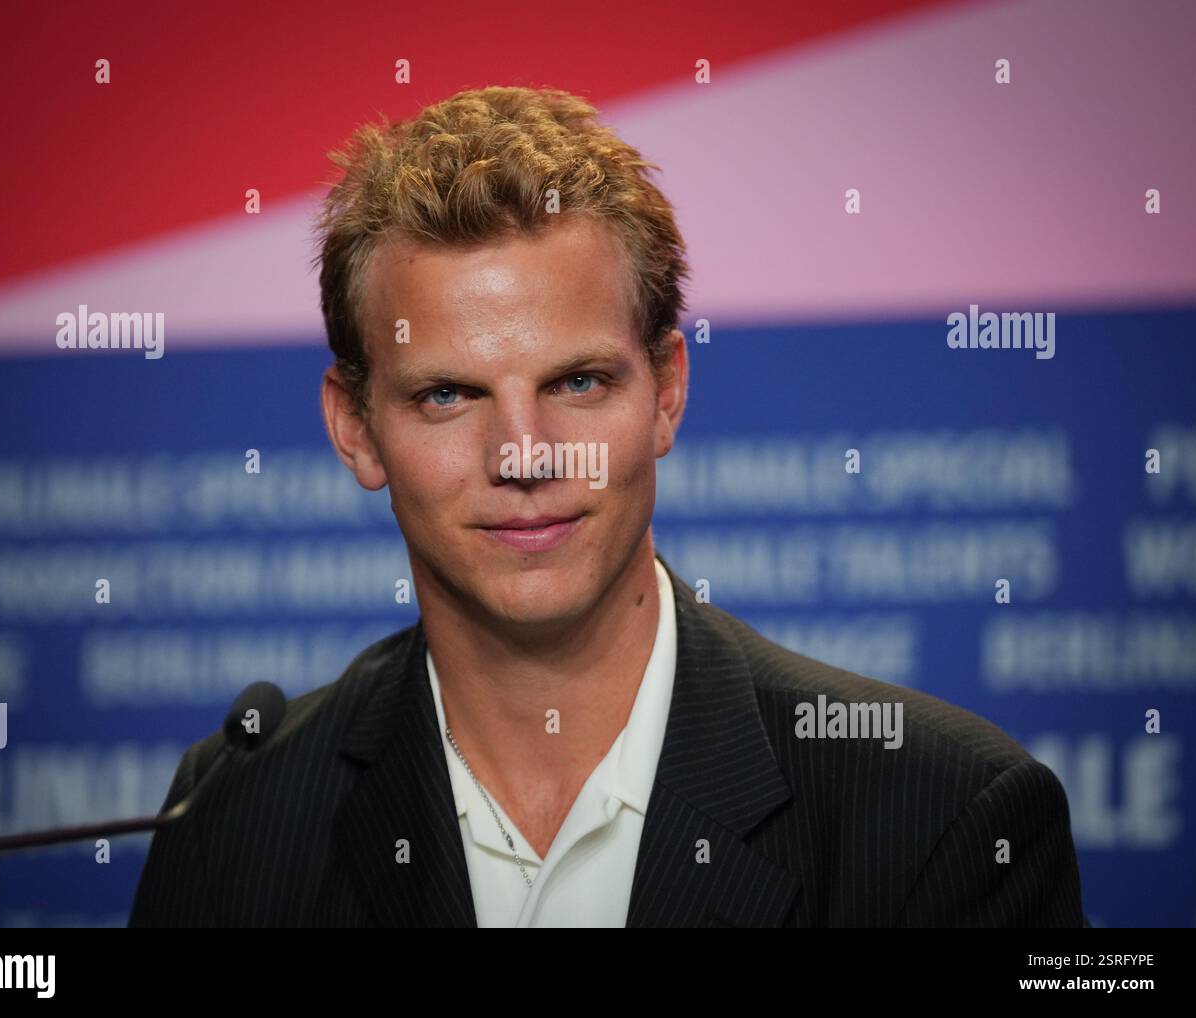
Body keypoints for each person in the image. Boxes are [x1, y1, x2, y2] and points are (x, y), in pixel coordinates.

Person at [129, 85, 1087, 927]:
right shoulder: (233, 819)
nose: (525, 456)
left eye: (580, 382)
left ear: (667, 391)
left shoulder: (943, 813)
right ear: (355, 430)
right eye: (447, 396)